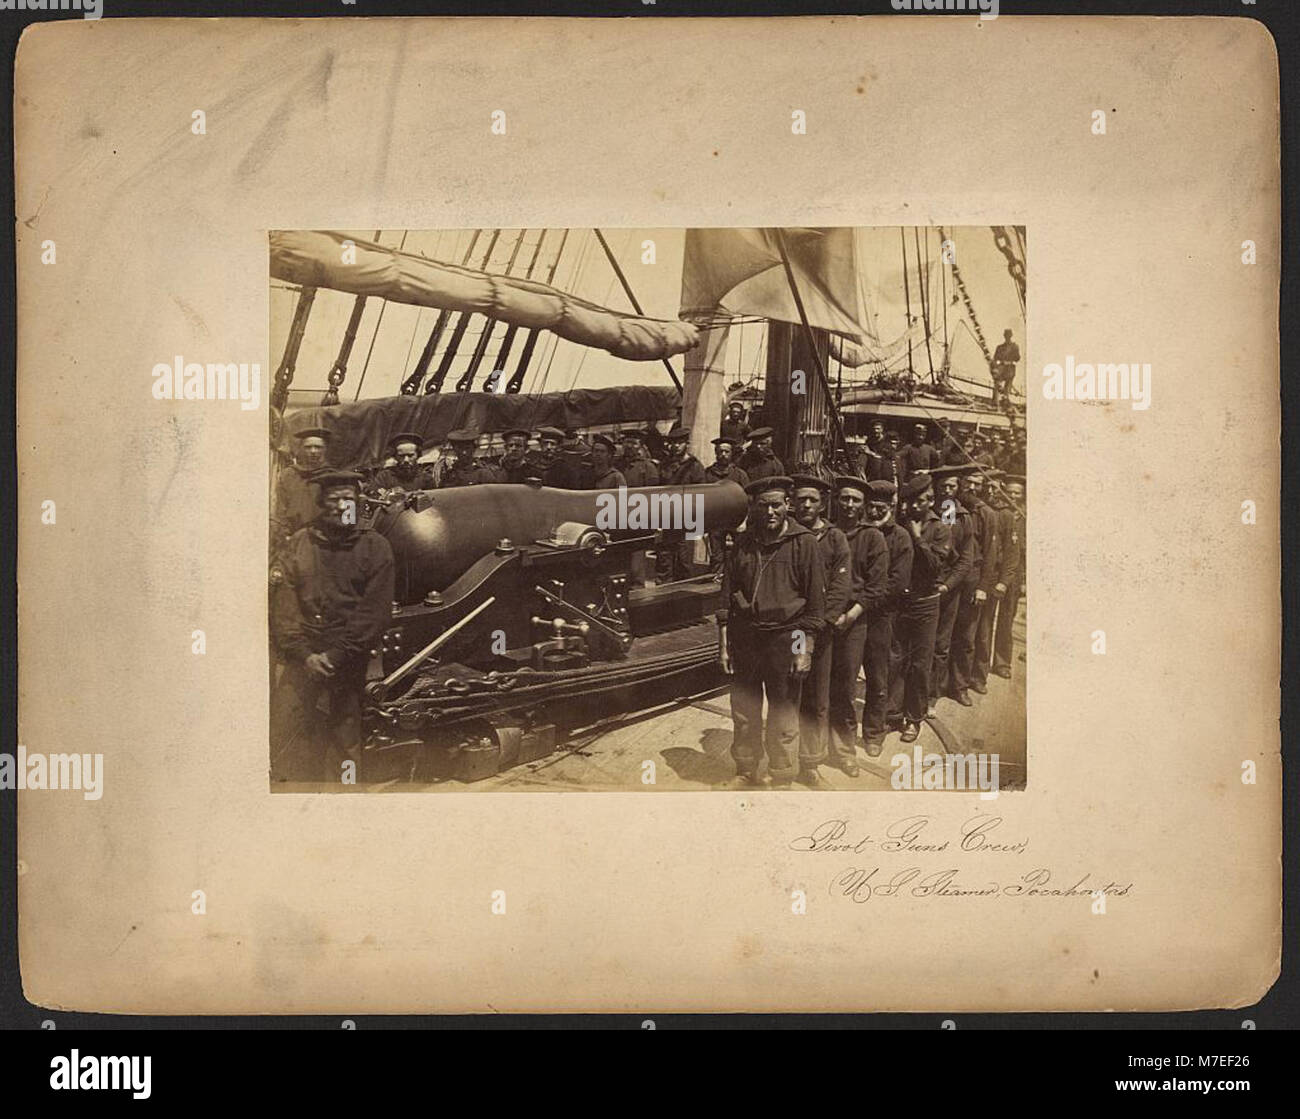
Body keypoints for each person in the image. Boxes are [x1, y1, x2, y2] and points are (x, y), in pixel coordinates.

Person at [270, 470, 395, 783]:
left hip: (346, 660)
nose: (341, 507)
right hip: (302, 659)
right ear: (320, 505)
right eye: (333, 500)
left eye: (348, 500)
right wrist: (304, 655)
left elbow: (374, 613)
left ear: (358, 503)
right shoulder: (299, 543)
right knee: (289, 734)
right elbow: (285, 606)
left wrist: (336, 656)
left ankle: (344, 809)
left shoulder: (375, 547)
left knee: (344, 738)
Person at [717, 477, 825, 788]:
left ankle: (782, 775)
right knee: (745, 711)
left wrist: (805, 650)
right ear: (754, 508)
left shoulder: (804, 543)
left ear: (787, 505)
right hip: (746, 637)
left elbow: (816, 606)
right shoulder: (743, 543)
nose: (770, 512)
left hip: (787, 637)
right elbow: (726, 597)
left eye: (776, 504)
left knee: (784, 713)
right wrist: (724, 646)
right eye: (763, 505)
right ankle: (747, 768)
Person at [790, 475, 850, 788]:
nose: (807, 505)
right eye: (801, 499)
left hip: (819, 631)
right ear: (792, 501)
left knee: (815, 697)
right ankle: (783, 760)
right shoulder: (785, 535)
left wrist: (819, 626)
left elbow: (841, 588)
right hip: (788, 629)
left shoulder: (834, 538)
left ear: (822, 503)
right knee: (786, 696)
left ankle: (810, 762)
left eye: (813, 500)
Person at [827, 475, 889, 773]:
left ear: (864, 506)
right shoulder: (825, 533)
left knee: (844, 687)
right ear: (836, 500)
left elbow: (876, 589)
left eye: (855, 500)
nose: (849, 505)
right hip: (822, 620)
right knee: (812, 685)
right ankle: (809, 749)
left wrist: (849, 616)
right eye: (845, 498)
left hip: (853, 622)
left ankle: (843, 751)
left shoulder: (872, 537)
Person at [891, 473, 952, 743]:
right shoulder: (900, 523)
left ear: (930, 500)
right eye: (913, 501)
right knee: (895, 659)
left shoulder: (939, 529)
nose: (917, 505)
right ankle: (892, 715)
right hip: (901, 602)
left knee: (919, 665)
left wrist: (918, 538)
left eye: (923, 500)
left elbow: (937, 567)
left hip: (926, 605)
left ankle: (913, 719)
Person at [861, 479, 912, 756]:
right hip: (857, 615)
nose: (874, 513)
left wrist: (864, 601)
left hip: (883, 616)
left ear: (891, 506)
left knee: (879, 677)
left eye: (879, 508)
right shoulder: (858, 532)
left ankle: (873, 733)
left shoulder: (900, 537)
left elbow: (897, 582)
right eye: (870, 507)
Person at [927, 465, 977, 710]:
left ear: (958, 488)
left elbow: (966, 559)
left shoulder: (964, 518)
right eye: (943, 486)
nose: (947, 490)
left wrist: (947, 586)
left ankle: (931, 696)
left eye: (952, 486)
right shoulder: (925, 511)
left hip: (948, 590)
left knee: (941, 644)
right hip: (924, 587)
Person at [949, 470, 1000, 705]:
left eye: (976, 484)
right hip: (951, 575)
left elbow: (990, 554)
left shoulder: (987, 514)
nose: (971, 486)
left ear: (982, 488)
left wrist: (983, 586)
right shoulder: (951, 508)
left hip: (973, 577)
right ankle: (939, 684)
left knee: (967, 635)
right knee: (944, 632)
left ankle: (960, 686)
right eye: (967, 481)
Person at [656, 424, 707, 582]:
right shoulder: (664, 465)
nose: (675, 446)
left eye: (679, 443)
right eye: (672, 443)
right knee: (664, 561)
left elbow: (700, 495)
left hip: (687, 519)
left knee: (684, 562)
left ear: (687, 444)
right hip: (666, 518)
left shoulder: (695, 467)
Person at [272, 427, 332, 558]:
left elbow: (348, 514)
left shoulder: (334, 476)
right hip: (294, 538)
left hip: (325, 540)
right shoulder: (288, 475)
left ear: (325, 449)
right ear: (301, 449)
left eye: (318, 447)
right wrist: (283, 535)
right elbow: (280, 510)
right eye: (308, 447)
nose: (313, 451)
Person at [992, 475, 1026, 680]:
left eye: (1017, 493)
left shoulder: (1026, 517)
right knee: (985, 620)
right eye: (1010, 491)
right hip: (995, 570)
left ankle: (1002, 662)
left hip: (1015, 574)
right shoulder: (997, 512)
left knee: (1006, 619)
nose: (1012, 495)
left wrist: (1024, 581)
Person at [705, 436, 750, 572]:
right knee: (717, 555)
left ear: (731, 454)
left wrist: (744, 521)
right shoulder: (708, 474)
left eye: (726, 452)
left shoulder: (740, 475)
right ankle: (715, 583)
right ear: (716, 453)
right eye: (720, 452)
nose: (723, 455)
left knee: (739, 553)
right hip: (715, 521)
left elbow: (748, 499)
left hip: (736, 520)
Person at [371, 432, 437, 494]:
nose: (406, 460)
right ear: (395, 456)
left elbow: (434, 498)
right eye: (401, 456)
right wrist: (389, 493)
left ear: (418, 455)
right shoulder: (384, 477)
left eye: (410, 455)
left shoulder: (426, 479)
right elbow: (373, 495)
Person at [439, 429, 505, 487]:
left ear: (474, 449)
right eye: (460, 449)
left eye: (467, 448)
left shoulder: (483, 473)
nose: (464, 452)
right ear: (455, 450)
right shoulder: (450, 474)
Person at [991, 329, 1020, 409]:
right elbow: (995, 358)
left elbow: (1017, 358)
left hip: (1010, 369)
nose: (1007, 337)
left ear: (1011, 336)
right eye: (1006, 335)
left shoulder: (1014, 347)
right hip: (1001, 368)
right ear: (1004, 336)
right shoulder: (999, 347)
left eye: (1008, 335)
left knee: (1007, 389)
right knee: (997, 385)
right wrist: (995, 365)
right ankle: (995, 404)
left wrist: (1009, 361)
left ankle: (1005, 404)